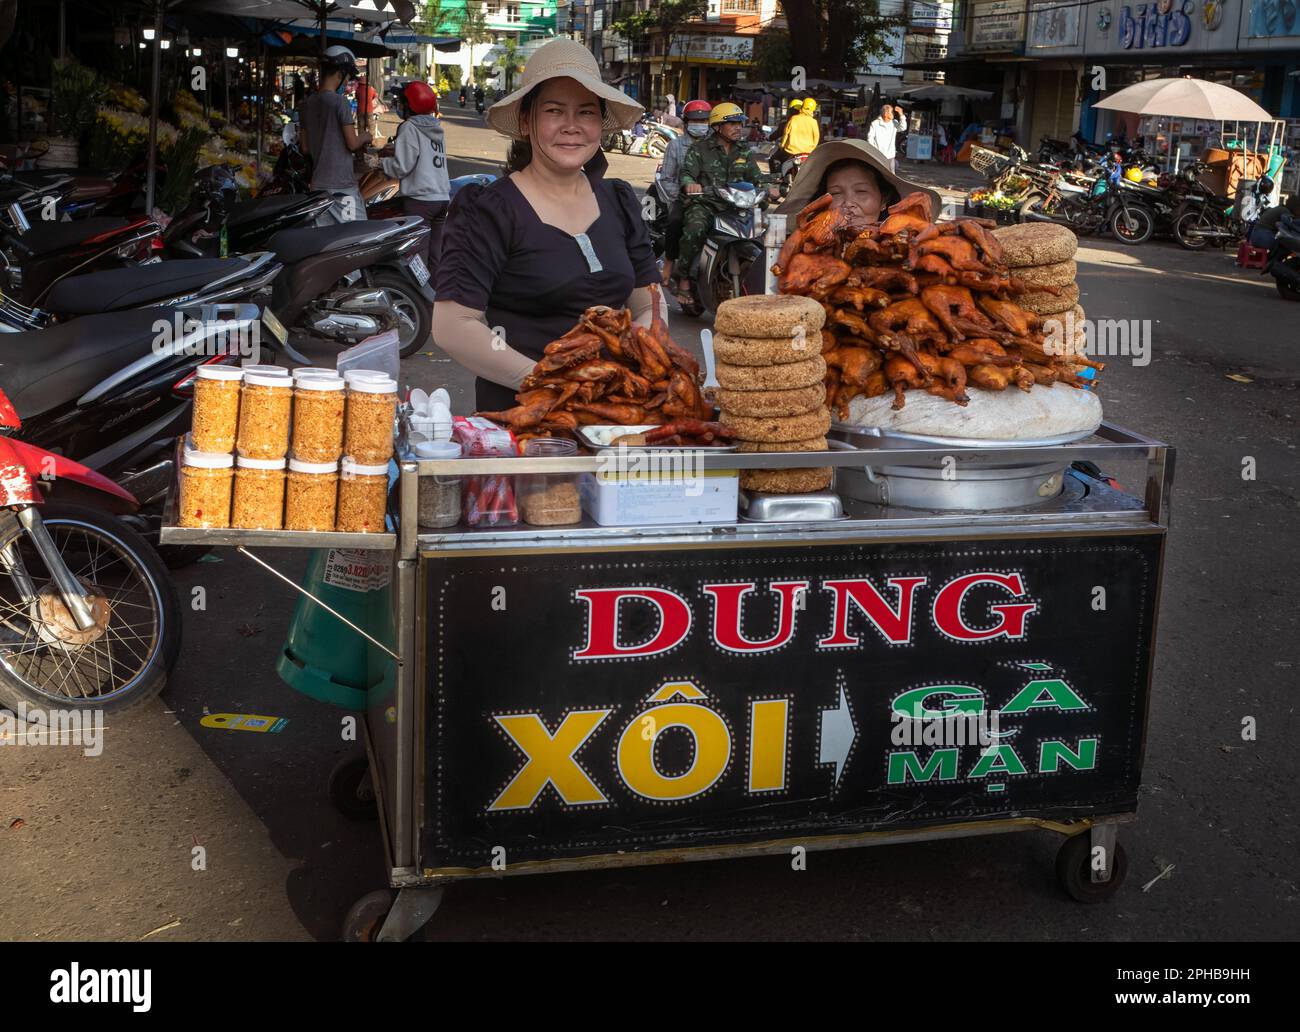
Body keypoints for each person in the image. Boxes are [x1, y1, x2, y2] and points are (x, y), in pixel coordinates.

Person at [432, 39, 664, 414]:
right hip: (524, 419)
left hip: (613, 414)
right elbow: (453, 325)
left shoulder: (619, 202)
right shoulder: (490, 210)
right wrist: (550, 384)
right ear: (527, 121)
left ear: (600, 124)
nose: (572, 126)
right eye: (555, 111)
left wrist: (634, 357)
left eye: (586, 113)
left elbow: (650, 302)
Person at [675, 101, 778, 307]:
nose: (738, 128)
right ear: (717, 126)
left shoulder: (744, 151)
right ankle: (684, 279)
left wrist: (771, 188)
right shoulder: (700, 149)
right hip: (707, 204)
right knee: (694, 229)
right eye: (732, 124)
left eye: (740, 123)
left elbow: (757, 178)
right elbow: (687, 173)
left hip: (737, 207)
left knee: (765, 230)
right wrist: (690, 185)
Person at [775, 138, 940, 232]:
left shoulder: (902, 252)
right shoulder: (802, 250)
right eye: (836, 193)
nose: (848, 203)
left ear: (884, 200)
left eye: (861, 191)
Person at [379, 81, 451, 270]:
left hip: (421, 200)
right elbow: (424, 153)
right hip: (441, 199)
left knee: (417, 256)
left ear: (409, 105)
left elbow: (402, 168)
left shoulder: (409, 127)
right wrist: (396, 149)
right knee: (436, 257)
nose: (399, 105)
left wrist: (379, 164)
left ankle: (418, 298)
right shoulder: (436, 127)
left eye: (401, 101)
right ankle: (433, 296)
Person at [298, 45, 371, 223]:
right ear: (340, 73)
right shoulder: (340, 103)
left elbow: (305, 148)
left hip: (317, 188)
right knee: (358, 237)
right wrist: (366, 136)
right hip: (342, 188)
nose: (347, 83)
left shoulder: (306, 104)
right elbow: (352, 144)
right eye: (347, 78)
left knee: (325, 242)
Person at [657, 99, 711, 290]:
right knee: (675, 221)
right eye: (696, 121)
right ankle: (671, 262)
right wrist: (683, 196)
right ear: (686, 122)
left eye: (704, 121)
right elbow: (666, 179)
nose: (700, 125)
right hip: (685, 198)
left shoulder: (716, 144)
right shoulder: (676, 146)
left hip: (714, 199)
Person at [779, 97, 821, 166]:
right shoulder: (814, 122)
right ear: (813, 109)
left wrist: (782, 146)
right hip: (807, 153)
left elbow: (786, 134)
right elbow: (816, 139)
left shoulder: (794, 119)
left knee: (782, 164)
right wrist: (812, 149)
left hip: (791, 152)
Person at [768, 98, 804, 175]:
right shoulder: (809, 122)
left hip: (791, 150)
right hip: (806, 151)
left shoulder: (788, 122)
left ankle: (775, 178)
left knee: (772, 159)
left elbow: (777, 134)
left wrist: (770, 138)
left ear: (790, 111)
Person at [867, 103, 907, 172]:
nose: (893, 114)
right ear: (886, 114)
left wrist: (901, 114)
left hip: (890, 155)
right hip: (878, 155)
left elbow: (903, 128)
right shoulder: (875, 123)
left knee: (891, 175)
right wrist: (874, 151)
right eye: (891, 112)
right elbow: (870, 138)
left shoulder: (894, 122)